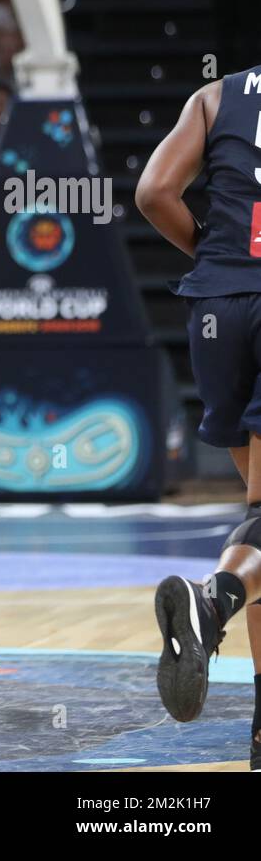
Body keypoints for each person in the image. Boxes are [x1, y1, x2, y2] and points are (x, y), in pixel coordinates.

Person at [137, 63, 261, 772]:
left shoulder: (218, 95)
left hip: (218, 309)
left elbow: (154, 191)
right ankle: (212, 603)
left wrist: (217, 259)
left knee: (260, 519)